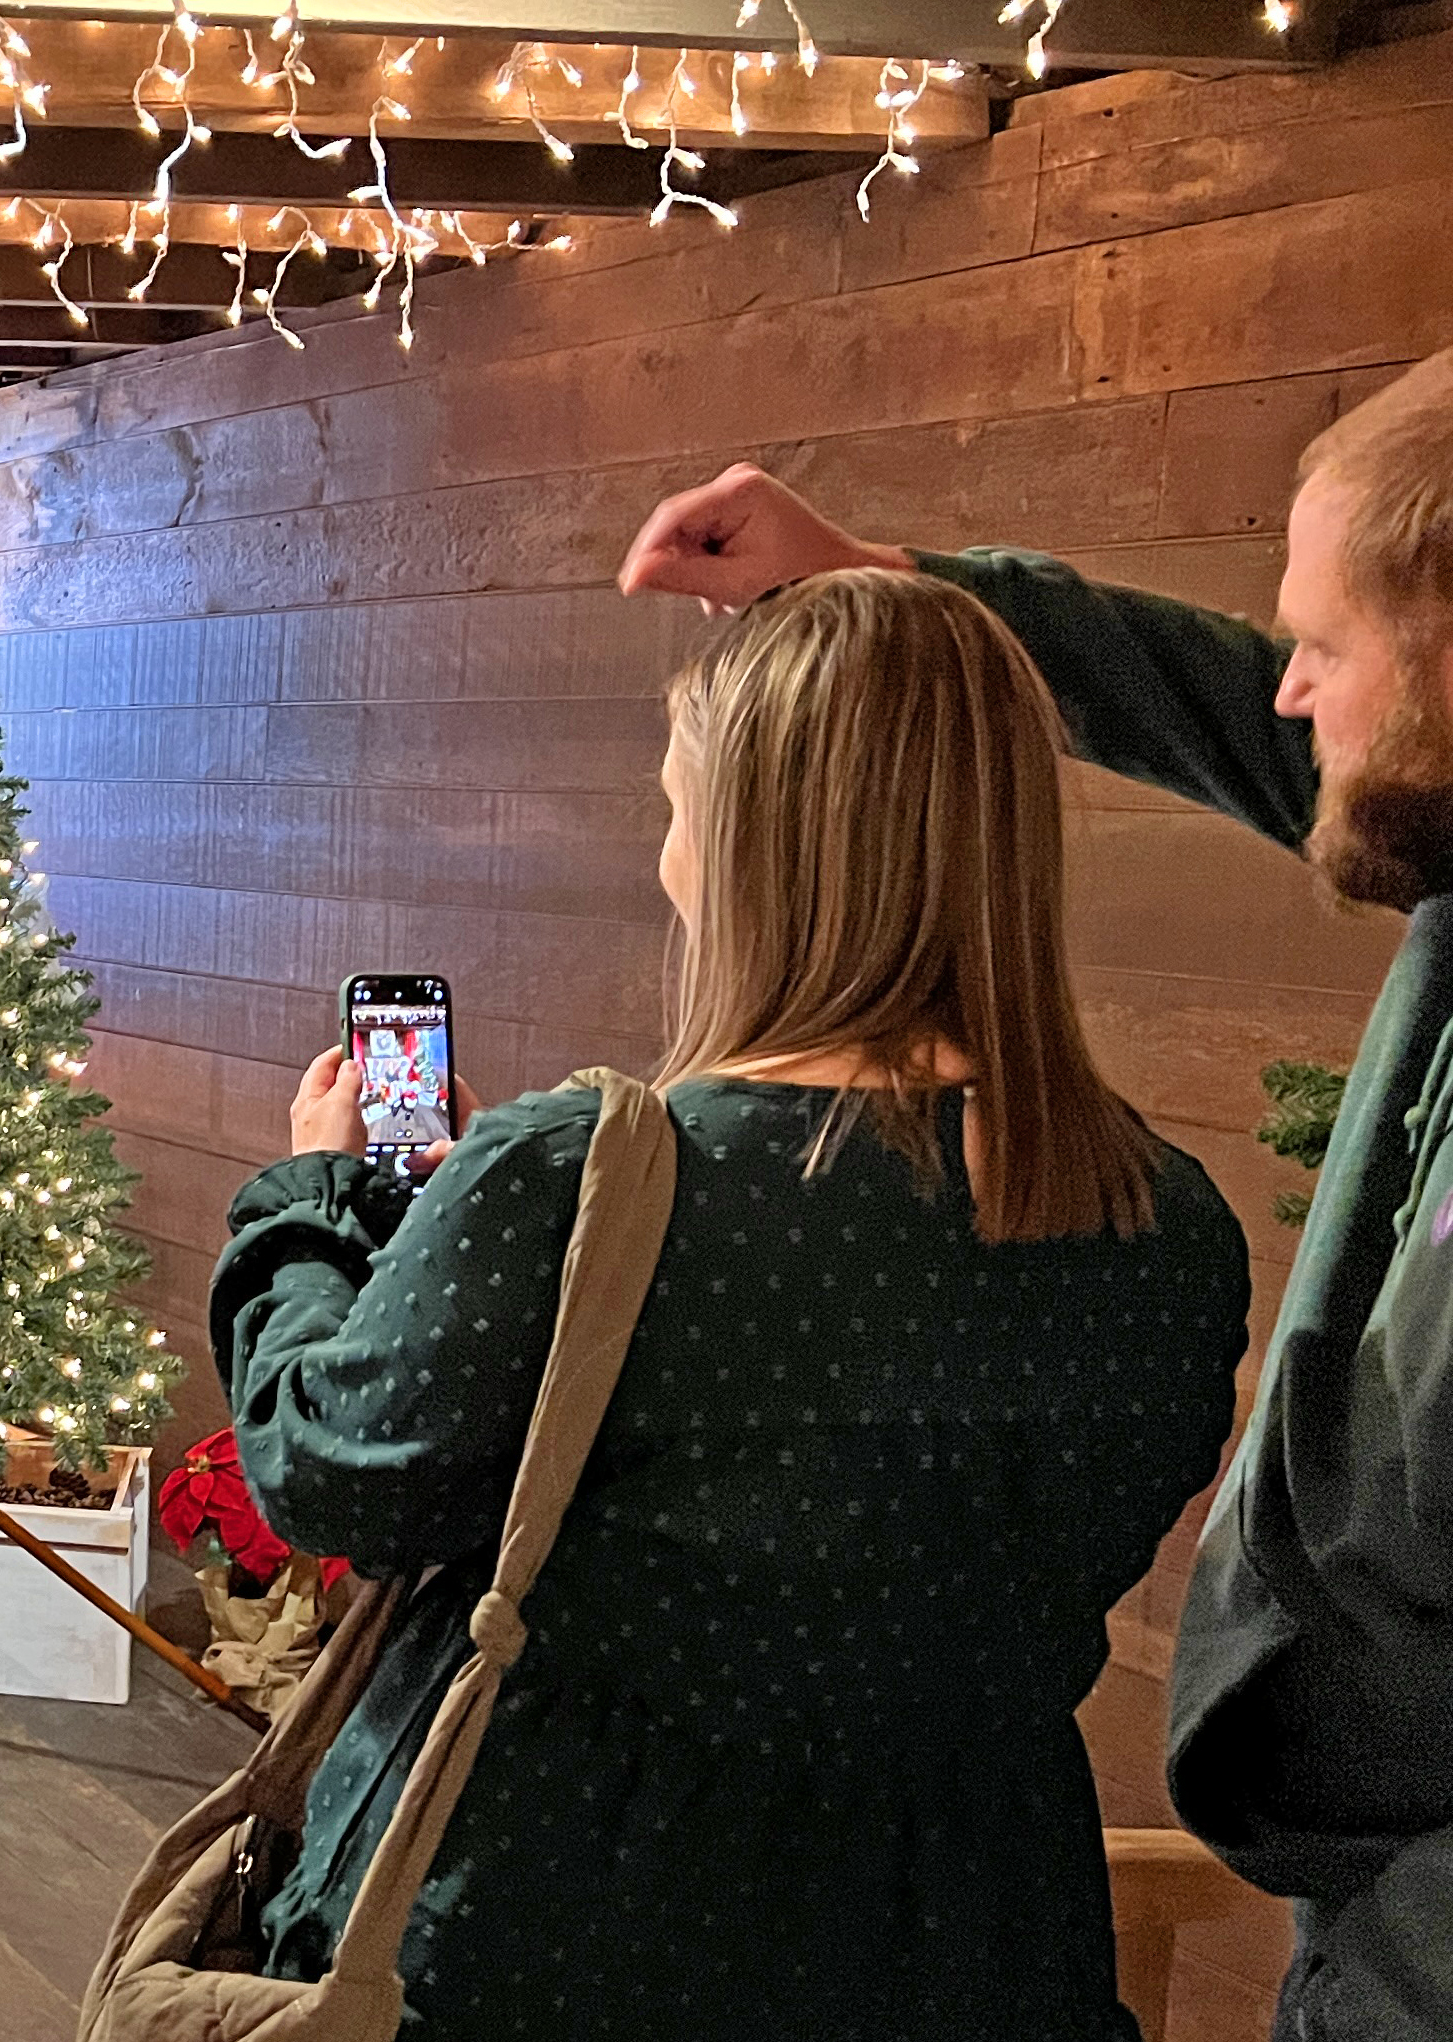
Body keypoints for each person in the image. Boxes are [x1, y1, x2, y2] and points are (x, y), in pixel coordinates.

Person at [210, 570, 1248, 2038]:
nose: (668, 857)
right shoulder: (1162, 1215)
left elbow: (326, 1462)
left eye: (677, 806)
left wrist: (311, 1205)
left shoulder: (577, 1175)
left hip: (570, 1924)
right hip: (969, 1935)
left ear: (762, 846)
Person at [616, 347, 1453, 2038]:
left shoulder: (583, 1174)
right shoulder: (1154, 1212)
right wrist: (894, 583)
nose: (1282, 697)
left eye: (1319, 645)